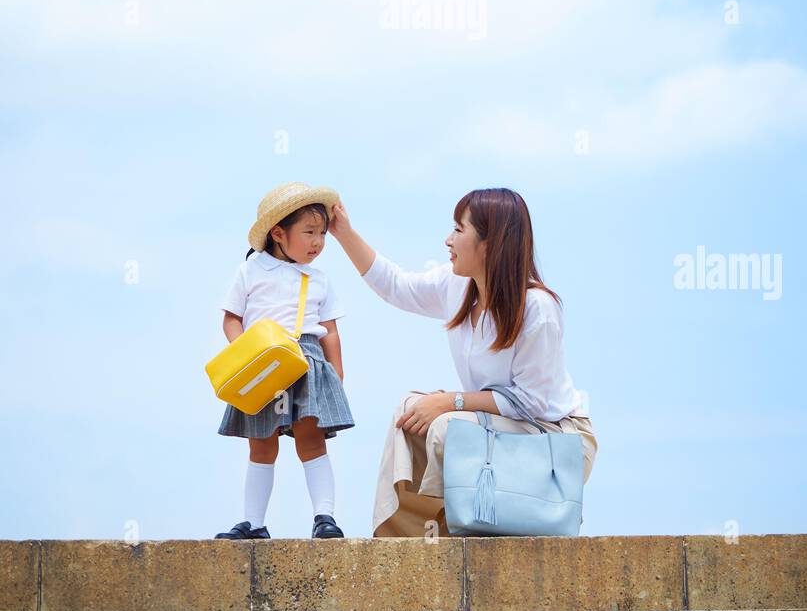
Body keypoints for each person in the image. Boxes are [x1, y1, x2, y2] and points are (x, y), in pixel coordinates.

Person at [329, 187, 597, 537]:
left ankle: (451, 527)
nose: (447, 240)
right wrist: (343, 233)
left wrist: (450, 401)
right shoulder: (457, 286)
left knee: (447, 426)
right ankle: (406, 538)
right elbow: (395, 285)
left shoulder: (537, 308)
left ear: (490, 242)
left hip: (555, 438)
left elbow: (532, 402)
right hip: (500, 429)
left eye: (458, 229)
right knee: (409, 412)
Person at [214, 182, 355, 540]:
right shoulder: (250, 270)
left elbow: (330, 330)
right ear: (278, 233)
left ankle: (325, 517)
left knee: (311, 440)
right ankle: (254, 523)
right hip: (264, 362)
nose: (318, 242)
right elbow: (232, 317)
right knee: (262, 442)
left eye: (322, 233)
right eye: (309, 232)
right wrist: (244, 352)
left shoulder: (319, 278)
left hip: (307, 360)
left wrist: (336, 373)